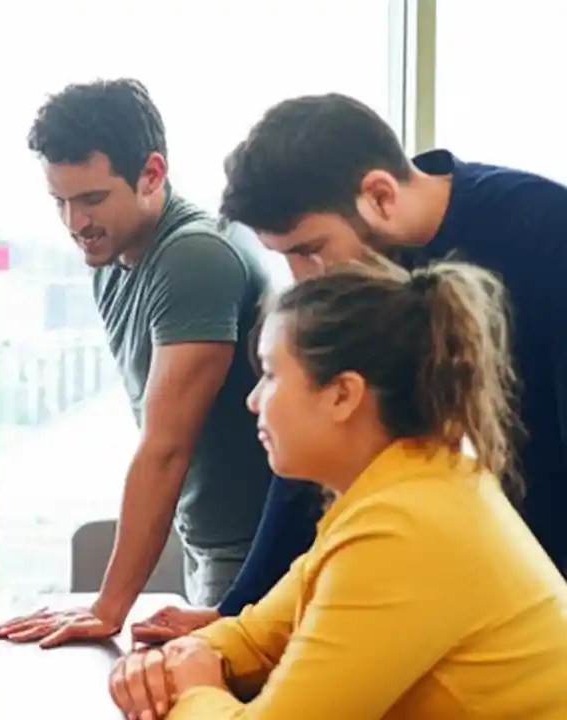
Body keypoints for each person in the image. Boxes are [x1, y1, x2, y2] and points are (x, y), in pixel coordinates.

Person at [139, 92, 567, 642]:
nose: (303, 277)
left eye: (309, 249)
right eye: (285, 256)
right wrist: (236, 613)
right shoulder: (353, 279)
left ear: (380, 196)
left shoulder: (545, 234)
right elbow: (316, 443)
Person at [110, 262, 567, 719]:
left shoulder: (403, 528)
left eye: (270, 374)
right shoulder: (407, 490)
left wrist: (192, 690)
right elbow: (254, 637)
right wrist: (172, 665)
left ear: (342, 395)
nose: (253, 400)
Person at [0, 78, 275, 648]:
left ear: (151, 174)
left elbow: (165, 446)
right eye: (60, 201)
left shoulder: (195, 257)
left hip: (253, 553)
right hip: (209, 545)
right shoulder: (112, 259)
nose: (75, 222)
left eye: (92, 199)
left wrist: (107, 608)